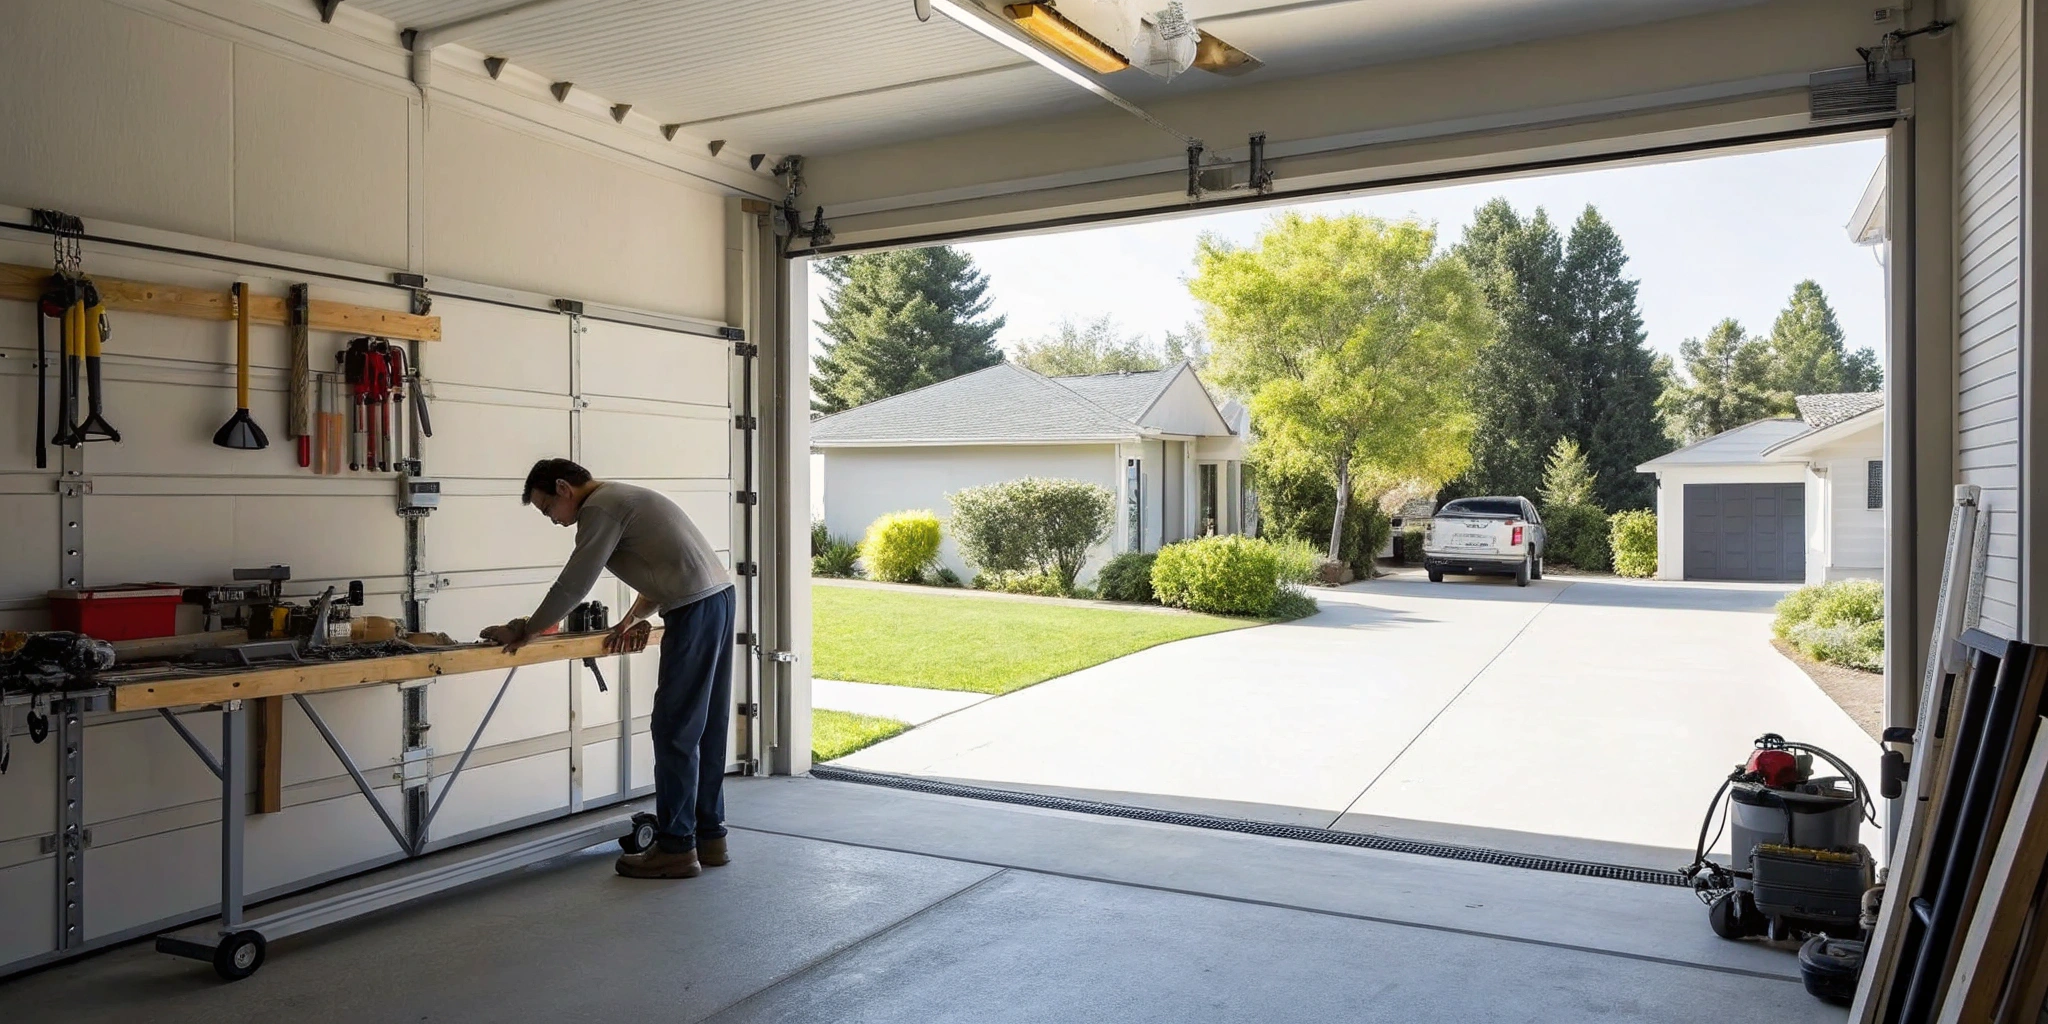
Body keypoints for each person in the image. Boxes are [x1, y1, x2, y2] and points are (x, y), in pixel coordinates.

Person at [483, 458, 734, 879]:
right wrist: (630, 619)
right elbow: (664, 570)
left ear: (564, 488)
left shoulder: (599, 507)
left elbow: (576, 581)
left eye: (548, 510)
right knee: (704, 726)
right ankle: (710, 838)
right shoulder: (624, 496)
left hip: (694, 610)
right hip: (718, 600)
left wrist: (526, 629)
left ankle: (676, 847)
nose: (554, 521)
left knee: (674, 730)